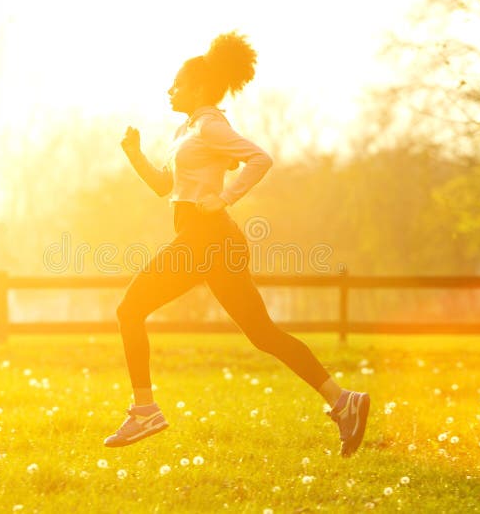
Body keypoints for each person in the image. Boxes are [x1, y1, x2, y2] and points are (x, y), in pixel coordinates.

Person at [104, 31, 370, 457]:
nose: (170, 90)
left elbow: (260, 158)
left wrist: (224, 197)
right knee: (263, 334)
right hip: (213, 241)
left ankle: (145, 411)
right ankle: (343, 402)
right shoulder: (187, 130)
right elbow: (163, 185)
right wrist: (134, 154)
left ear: (199, 88)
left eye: (177, 84)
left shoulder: (211, 125)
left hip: (205, 237)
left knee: (129, 310)